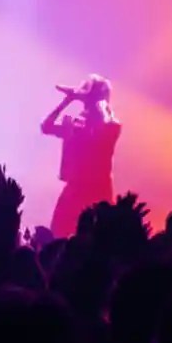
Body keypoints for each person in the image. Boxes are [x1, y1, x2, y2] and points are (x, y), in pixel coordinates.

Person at [40, 75, 122, 238]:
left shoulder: (111, 124)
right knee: (59, 233)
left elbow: (106, 125)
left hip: (98, 190)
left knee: (99, 237)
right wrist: (66, 101)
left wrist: (98, 101)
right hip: (75, 188)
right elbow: (46, 127)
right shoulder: (76, 127)